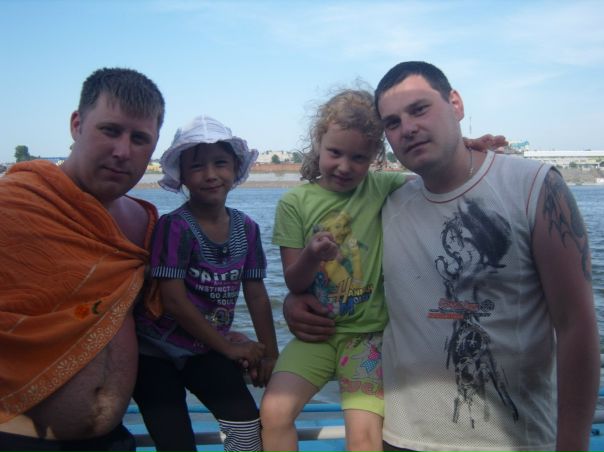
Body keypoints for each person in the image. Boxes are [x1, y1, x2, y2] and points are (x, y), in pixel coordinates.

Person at [288, 61, 601, 452]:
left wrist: (572, 444)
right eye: (393, 123)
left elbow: (576, 325)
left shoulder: (534, 186)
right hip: (402, 438)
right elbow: (348, 274)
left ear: (455, 104)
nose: (408, 128)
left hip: (516, 442)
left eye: (420, 109)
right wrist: (297, 297)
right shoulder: (388, 202)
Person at [0, 67, 165, 451]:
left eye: (139, 138)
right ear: (77, 125)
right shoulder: (14, 205)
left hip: (111, 439)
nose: (122, 151)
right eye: (110, 130)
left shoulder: (146, 224)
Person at [260, 89, 409, 452]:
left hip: (367, 339)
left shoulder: (381, 187)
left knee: (364, 435)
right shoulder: (295, 203)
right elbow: (294, 282)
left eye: (359, 157)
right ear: (318, 144)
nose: (344, 166)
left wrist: (467, 147)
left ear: (375, 157)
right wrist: (312, 255)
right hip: (316, 337)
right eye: (335, 153)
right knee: (274, 412)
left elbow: (436, 175)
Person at [132, 115, 279, 452]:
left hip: (204, 348)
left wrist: (270, 355)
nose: (211, 175)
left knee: (246, 424)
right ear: (182, 176)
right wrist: (229, 348)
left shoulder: (247, 228)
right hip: (155, 351)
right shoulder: (175, 227)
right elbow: (173, 300)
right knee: (176, 442)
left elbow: (256, 294)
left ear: (235, 169)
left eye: (220, 163)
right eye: (197, 167)